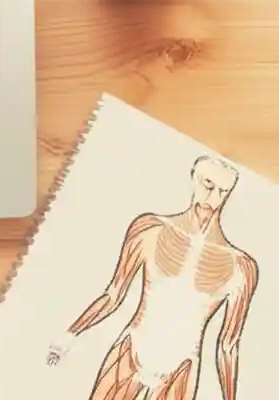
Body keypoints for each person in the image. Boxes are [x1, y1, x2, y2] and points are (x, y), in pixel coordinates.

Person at [46, 155, 259, 399]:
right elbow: (113, 295)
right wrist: (69, 335)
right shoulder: (150, 229)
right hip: (131, 350)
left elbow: (228, 345)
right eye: (208, 186)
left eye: (222, 192)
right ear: (193, 180)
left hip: (182, 366)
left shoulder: (241, 267)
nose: (213, 200)